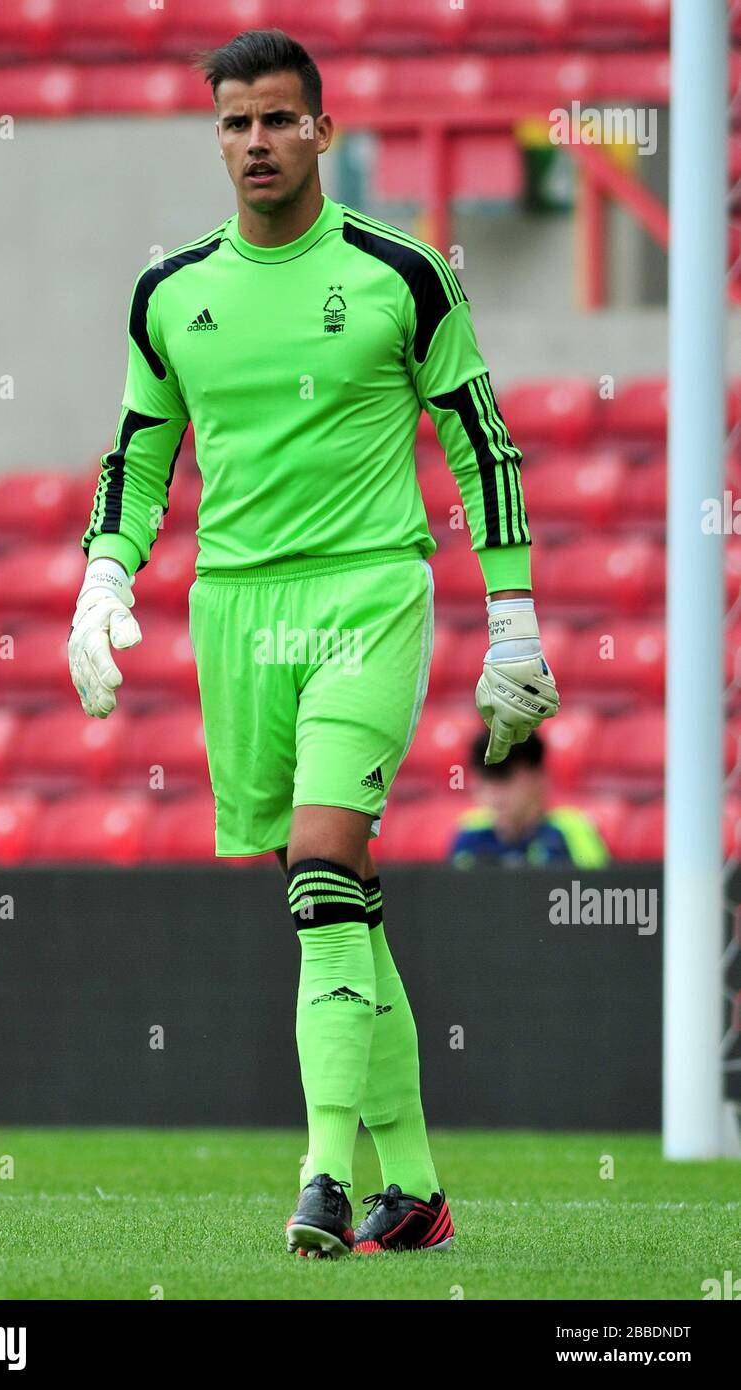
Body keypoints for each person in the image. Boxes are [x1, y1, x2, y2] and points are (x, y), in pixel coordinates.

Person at [67, 28, 559, 1258]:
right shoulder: (169, 295)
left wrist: (513, 618)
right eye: (234, 123)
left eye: (279, 120)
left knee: (325, 865)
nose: (256, 143)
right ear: (216, 137)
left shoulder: (401, 274)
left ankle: (322, 1182)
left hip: (367, 595)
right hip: (235, 611)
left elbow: (479, 439)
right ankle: (419, 1191)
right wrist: (101, 574)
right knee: (336, 901)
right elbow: (137, 453)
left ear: (323, 132)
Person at [451, 730, 609, 868]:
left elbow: (594, 895)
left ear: (539, 778)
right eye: (486, 779)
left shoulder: (571, 832)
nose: (494, 793)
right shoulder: (470, 833)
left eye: (505, 777)